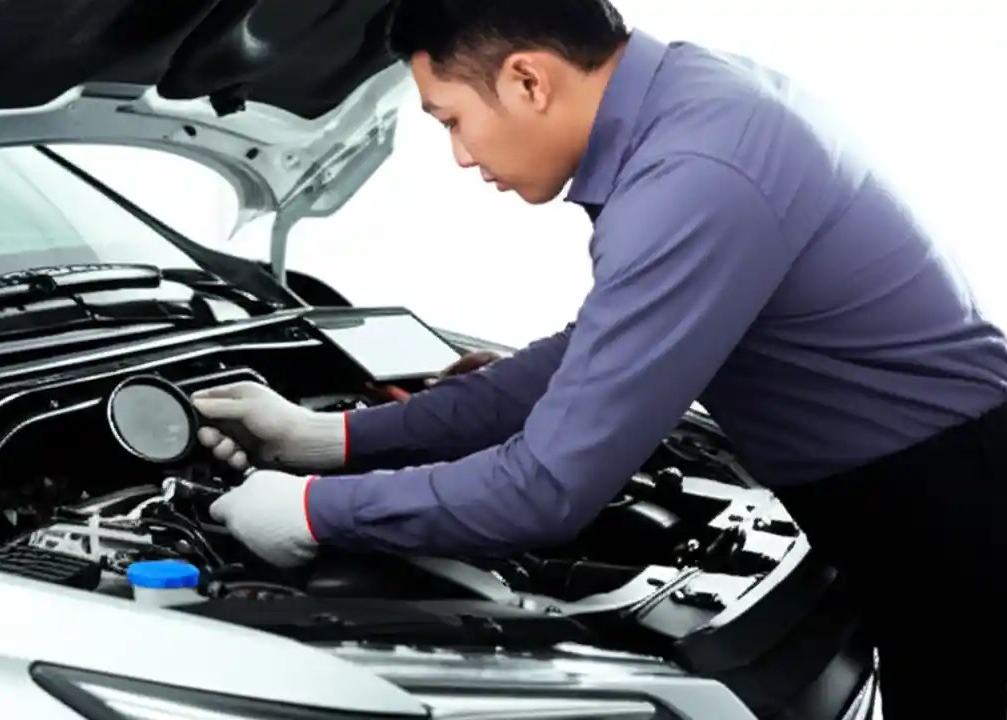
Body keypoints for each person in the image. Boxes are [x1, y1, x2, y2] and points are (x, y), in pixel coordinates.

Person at [189, 1, 1007, 716]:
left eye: (449, 120)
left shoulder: (695, 175)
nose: (462, 157)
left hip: (959, 522)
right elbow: (591, 351)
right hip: (924, 500)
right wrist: (330, 440)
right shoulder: (688, 105)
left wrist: (310, 513)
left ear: (527, 81)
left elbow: (546, 490)